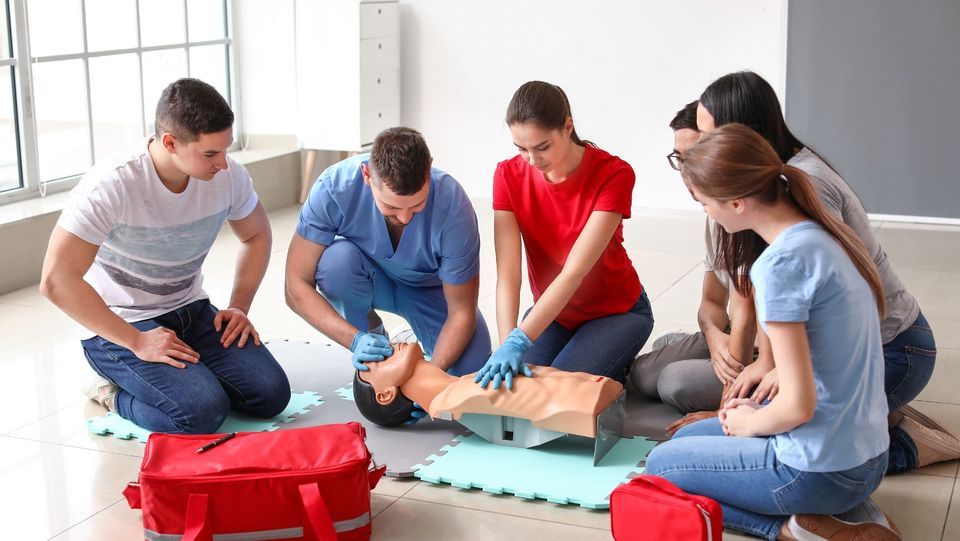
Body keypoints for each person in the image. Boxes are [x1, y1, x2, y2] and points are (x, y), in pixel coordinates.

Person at [687, 70, 959, 474]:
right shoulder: (775, 186)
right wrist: (764, 367)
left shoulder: (803, 185)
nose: (705, 147)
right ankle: (890, 416)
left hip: (894, 349)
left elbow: (825, 298)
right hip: (852, 350)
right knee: (746, 414)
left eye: (710, 136)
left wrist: (763, 392)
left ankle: (910, 442)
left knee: (780, 434)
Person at [645, 123, 899, 541]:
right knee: (692, 435)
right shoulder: (824, 236)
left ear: (738, 203)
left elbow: (797, 407)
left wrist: (754, 423)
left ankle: (795, 529)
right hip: (867, 457)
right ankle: (861, 515)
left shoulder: (778, 266)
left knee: (660, 468)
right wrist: (748, 418)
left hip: (818, 469)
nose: (705, 211)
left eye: (706, 202)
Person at [39, 78, 291, 434]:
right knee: (201, 414)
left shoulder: (228, 174)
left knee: (271, 396)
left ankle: (186, 379)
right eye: (210, 153)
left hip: (191, 309)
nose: (223, 163)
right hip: (121, 324)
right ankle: (111, 393)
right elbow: (55, 280)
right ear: (170, 142)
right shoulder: (112, 184)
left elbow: (255, 234)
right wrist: (137, 341)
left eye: (225, 150)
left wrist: (238, 306)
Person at [476, 81, 653, 391]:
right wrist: (507, 343)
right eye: (521, 148)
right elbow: (508, 274)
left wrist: (522, 338)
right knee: (516, 387)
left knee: (555, 391)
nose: (532, 160)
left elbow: (574, 273)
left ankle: (620, 366)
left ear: (568, 127)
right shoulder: (507, 175)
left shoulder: (614, 174)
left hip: (617, 312)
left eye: (542, 147)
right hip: (554, 313)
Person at [285, 127, 490, 381]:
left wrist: (431, 377)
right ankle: (374, 338)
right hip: (364, 277)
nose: (404, 217)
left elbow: (461, 312)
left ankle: (410, 339)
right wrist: (355, 339)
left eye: (417, 205)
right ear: (366, 175)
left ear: (429, 171)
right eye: (391, 206)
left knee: (472, 371)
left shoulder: (454, 206)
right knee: (335, 264)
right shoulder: (333, 189)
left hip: (429, 290)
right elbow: (295, 287)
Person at [627, 100, 758, 418]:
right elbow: (712, 301)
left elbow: (746, 314)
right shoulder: (715, 216)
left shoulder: (746, 216)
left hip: (771, 352)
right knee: (643, 373)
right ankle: (694, 349)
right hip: (736, 338)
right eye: (679, 159)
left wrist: (724, 413)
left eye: (695, 157)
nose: (686, 172)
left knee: (673, 382)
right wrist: (714, 339)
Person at [354, 341, 623, 439]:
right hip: (593, 399)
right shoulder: (464, 397)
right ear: (385, 394)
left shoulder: (465, 384)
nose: (386, 348)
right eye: (376, 362)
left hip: (596, 391)